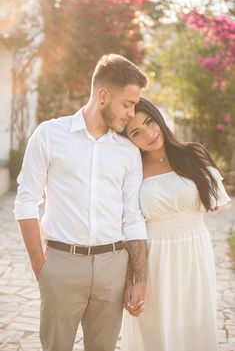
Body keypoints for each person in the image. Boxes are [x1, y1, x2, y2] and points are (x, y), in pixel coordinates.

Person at [14, 54, 149, 351]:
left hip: (113, 266)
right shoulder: (49, 135)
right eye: (127, 104)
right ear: (103, 96)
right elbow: (26, 202)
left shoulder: (128, 152)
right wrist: (42, 269)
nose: (131, 113)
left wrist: (139, 277)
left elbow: (133, 217)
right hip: (62, 264)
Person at [121, 97, 231, 351]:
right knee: (156, 328)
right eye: (137, 132)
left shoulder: (192, 154)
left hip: (194, 253)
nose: (148, 134)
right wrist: (132, 278)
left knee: (194, 323)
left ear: (158, 118)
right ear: (130, 140)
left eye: (150, 122)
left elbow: (213, 202)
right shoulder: (133, 169)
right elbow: (128, 223)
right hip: (154, 257)